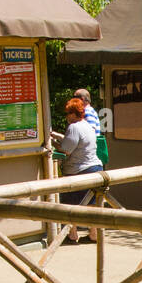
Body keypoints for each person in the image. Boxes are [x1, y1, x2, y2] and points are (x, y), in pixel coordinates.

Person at [57, 96, 104, 244]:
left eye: (68, 113)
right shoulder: (87, 125)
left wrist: (53, 142)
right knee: (92, 204)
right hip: (95, 167)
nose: (66, 117)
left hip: (78, 170)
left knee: (71, 205)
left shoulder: (74, 127)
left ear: (73, 113)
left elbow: (66, 150)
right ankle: (94, 234)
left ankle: (72, 234)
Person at [74, 88, 108, 166]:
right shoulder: (89, 111)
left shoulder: (87, 111)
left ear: (81, 99)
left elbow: (90, 131)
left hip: (89, 155)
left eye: (74, 98)